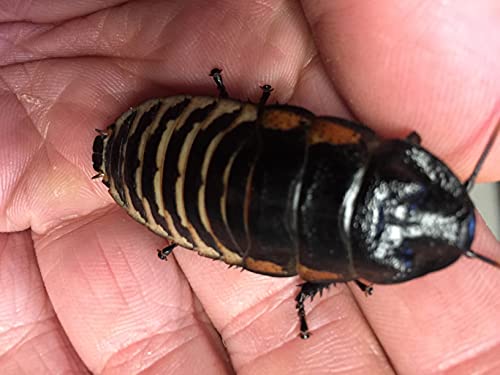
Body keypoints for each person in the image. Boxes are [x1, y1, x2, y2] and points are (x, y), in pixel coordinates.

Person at [0, 1, 499, 373]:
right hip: (201, 206)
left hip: (200, 140)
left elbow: (297, 126)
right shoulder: (330, 261)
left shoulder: (353, 150)